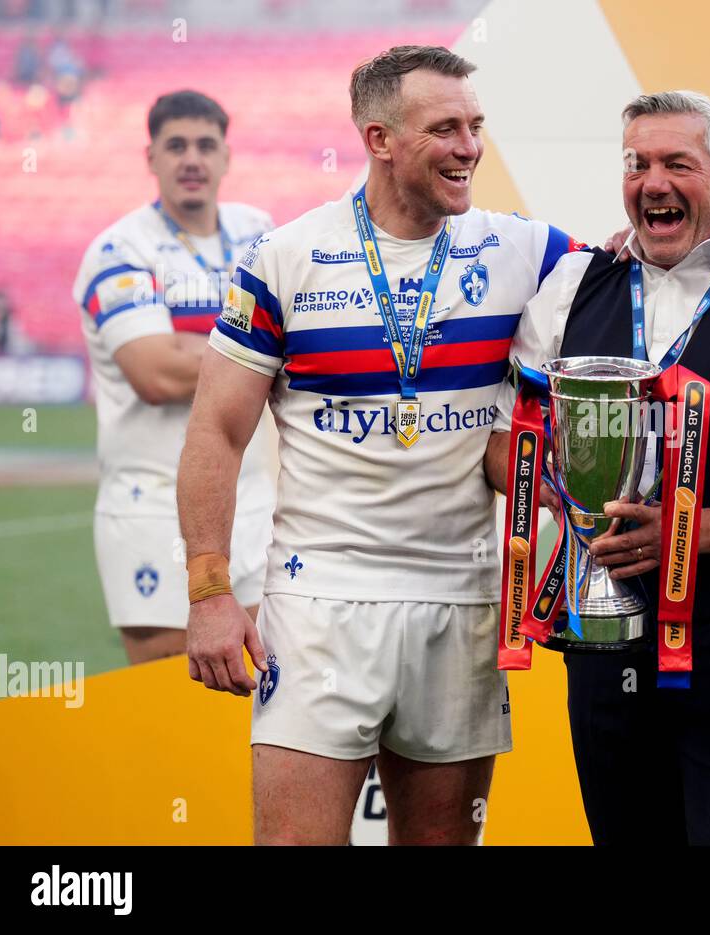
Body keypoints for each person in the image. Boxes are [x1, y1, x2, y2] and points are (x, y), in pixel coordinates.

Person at [178, 45, 583, 845]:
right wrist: (210, 591)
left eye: (475, 126)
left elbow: (647, 275)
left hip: (462, 602)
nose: (469, 146)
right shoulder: (284, 258)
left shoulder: (530, 254)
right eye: (445, 128)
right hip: (319, 599)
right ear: (379, 139)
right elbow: (216, 432)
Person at [486, 90, 710, 846]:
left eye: (678, 163)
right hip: (602, 640)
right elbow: (504, 443)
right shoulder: (573, 285)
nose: (653, 182)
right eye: (637, 164)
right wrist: (574, 500)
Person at [71, 90, 275, 665]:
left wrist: (194, 341)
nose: (192, 159)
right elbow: (154, 371)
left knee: (267, 693)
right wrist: (262, 343)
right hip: (152, 506)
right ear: (151, 157)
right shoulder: (119, 249)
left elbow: (304, 332)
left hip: (256, 502)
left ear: (226, 157)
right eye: (176, 145)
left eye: (206, 145)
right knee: (174, 705)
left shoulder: (259, 232)